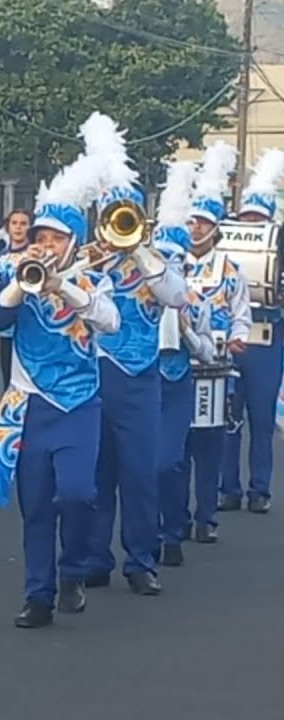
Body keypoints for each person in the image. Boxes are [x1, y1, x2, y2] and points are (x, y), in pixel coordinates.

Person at [0, 149, 120, 629]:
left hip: (79, 404)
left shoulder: (94, 280)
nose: (46, 245)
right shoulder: (17, 275)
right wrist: (24, 282)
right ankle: (38, 595)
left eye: (56, 238)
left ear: (73, 242)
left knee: (77, 494)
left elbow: (110, 321)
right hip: (30, 404)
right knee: (35, 507)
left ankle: (73, 570)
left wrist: (62, 286)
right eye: (40, 238)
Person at [79, 114, 188, 597]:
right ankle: (94, 558)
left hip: (140, 376)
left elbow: (176, 297)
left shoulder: (160, 258)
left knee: (140, 474)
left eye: (125, 215)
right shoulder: (87, 259)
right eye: (112, 216)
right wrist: (92, 259)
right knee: (96, 473)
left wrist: (139, 250)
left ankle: (141, 561)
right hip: (94, 370)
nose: (117, 225)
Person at [152, 160, 217, 567]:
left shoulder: (196, 301)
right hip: (141, 381)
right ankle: (144, 539)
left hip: (177, 383)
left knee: (169, 462)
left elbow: (208, 352)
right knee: (137, 467)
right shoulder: (135, 298)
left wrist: (188, 331)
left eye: (174, 261)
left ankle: (172, 531)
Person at [185, 142, 251, 537]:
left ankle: (205, 517)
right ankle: (174, 519)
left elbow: (242, 315)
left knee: (210, 444)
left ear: (215, 229)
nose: (195, 229)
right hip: (177, 365)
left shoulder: (231, 269)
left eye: (202, 223)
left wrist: (238, 338)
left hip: (215, 368)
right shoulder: (170, 264)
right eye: (191, 222)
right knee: (175, 449)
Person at [221, 148, 284, 514]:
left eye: (257, 218)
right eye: (246, 217)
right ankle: (228, 488)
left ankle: (259, 489)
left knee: (261, 419)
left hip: (268, 335)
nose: (251, 223)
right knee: (228, 416)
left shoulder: (280, 244)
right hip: (231, 335)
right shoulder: (223, 245)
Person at [0, 209, 31, 387]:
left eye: (23, 223)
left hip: (28, 320)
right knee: (7, 374)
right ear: (8, 227)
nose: (18, 227)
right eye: (14, 223)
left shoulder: (34, 255)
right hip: (6, 324)